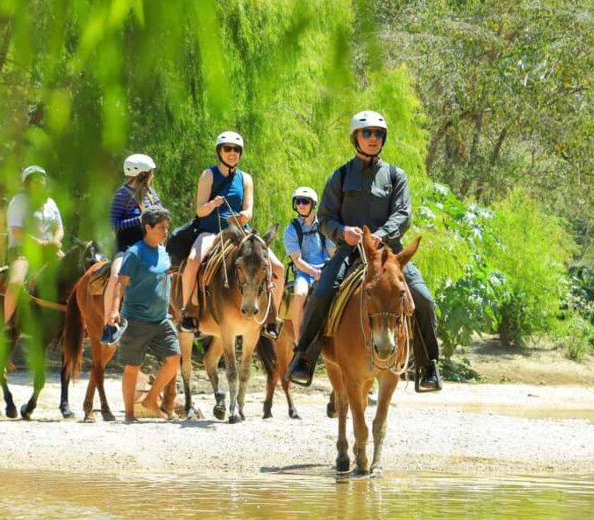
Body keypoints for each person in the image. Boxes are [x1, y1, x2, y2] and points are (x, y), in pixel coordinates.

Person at [285, 110, 442, 391]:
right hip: (349, 252)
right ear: (355, 138)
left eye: (378, 133)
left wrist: (379, 236)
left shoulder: (396, 176)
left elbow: (403, 214)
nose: (373, 138)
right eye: (366, 133)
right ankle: (304, 359)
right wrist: (342, 232)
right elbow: (325, 217)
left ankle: (428, 366)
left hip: (389, 254)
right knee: (321, 294)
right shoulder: (341, 176)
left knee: (424, 298)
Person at [178, 131, 284, 338]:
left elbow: (249, 209)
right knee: (192, 261)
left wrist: (244, 215)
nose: (232, 153)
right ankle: (189, 309)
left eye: (236, 150)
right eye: (227, 149)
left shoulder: (246, 178)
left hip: (240, 233)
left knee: (278, 266)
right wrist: (212, 204)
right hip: (211, 231)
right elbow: (199, 210)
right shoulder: (208, 175)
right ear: (220, 152)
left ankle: (272, 315)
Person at [109, 206, 180, 422]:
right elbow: (121, 284)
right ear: (147, 227)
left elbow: (165, 278)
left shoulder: (163, 251)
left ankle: (150, 400)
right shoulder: (135, 253)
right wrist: (114, 310)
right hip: (136, 319)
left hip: (161, 320)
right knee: (133, 367)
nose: (165, 231)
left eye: (167, 227)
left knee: (174, 358)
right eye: (161, 227)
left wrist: (174, 308)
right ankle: (129, 414)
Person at [101, 154, 161, 345]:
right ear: (142, 174)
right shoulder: (122, 195)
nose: (152, 176)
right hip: (126, 248)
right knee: (115, 277)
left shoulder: (152, 195)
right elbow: (114, 225)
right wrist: (139, 220)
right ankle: (109, 325)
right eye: (150, 173)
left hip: (150, 246)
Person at [4, 165, 64, 328]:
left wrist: (56, 241)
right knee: (16, 283)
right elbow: (16, 231)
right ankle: (8, 323)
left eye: (42, 178)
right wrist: (41, 243)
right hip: (23, 251)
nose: (39, 181)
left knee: (77, 274)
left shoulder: (50, 202)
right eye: (35, 179)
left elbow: (59, 227)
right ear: (27, 183)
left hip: (50, 250)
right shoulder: (19, 201)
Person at [282, 186, 335, 344]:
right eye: (298, 201)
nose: (301, 205)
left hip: (325, 269)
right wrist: (314, 272)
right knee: (300, 295)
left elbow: (332, 252)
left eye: (305, 201)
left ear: (313, 205)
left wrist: (332, 268)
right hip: (304, 273)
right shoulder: (291, 230)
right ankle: (299, 339)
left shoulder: (324, 226)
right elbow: (297, 261)